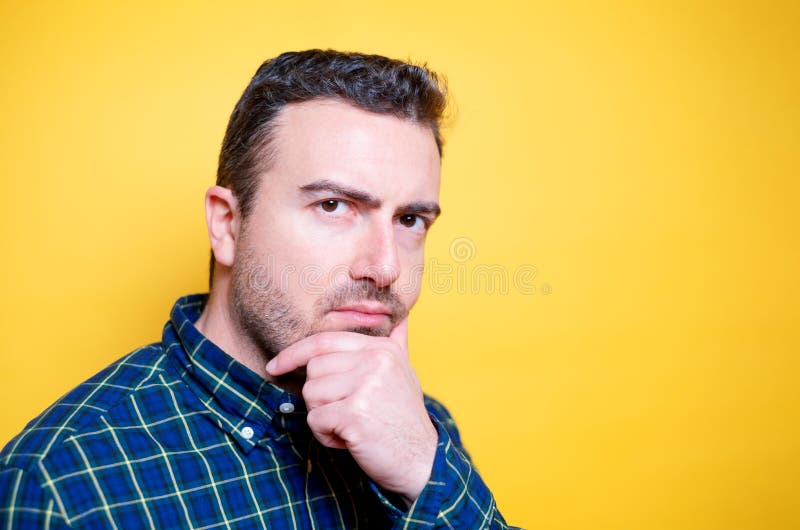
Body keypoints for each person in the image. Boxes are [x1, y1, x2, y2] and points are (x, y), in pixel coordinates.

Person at [0, 49, 514, 528]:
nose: (385, 268)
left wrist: (424, 465)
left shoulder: (418, 427)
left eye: (409, 219)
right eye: (333, 206)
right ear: (227, 223)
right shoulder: (61, 488)